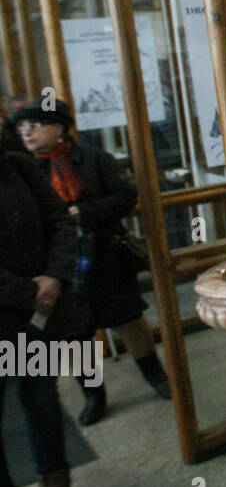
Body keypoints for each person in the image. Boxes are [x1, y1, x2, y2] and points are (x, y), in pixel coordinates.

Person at [13, 99, 172, 425]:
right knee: (75, 335)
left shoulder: (93, 158)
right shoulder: (24, 170)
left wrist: (82, 212)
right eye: (22, 128)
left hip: (106, 256)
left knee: (128, 319)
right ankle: (94, 396)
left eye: (35, 125)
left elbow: (125, 197)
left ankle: (156, 375)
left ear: (58, 128)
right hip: (60, 267)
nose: (26, 133)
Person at [0, 144, 106, 487]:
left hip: (33, 314)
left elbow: (60, 219)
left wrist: (55, 276)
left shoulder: (17, 164)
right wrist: (29, 290)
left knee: (42, 399)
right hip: (17, 302)